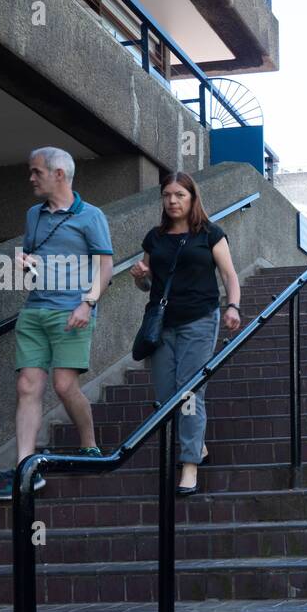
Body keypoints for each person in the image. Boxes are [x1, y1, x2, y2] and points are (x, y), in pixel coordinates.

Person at [0, 147, 113, 500]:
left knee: (64, 385)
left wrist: (88, 303)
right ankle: (26, 468)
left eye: (36, 172)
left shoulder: (91, 217)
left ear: (58, 174)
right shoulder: (34, 215)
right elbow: (33, 254)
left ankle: (89, 444)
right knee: (28, 386)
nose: (31, 178)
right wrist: (24, 261)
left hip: (71, 311)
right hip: (35, 310)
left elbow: (105, 267)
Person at [130, 172, 242, 495]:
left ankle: (189, 464)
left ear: (192, 198)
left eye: (180, 194)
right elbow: (147, 285)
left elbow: (230, 275)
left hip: (200, 320)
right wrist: (141, 276)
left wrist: (232, 307)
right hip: (162, 325)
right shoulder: (155, 238)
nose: (173, 201)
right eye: (167, 195)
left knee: (190, 393)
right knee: (166, 397)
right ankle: (198, 446)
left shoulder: (210, 235)